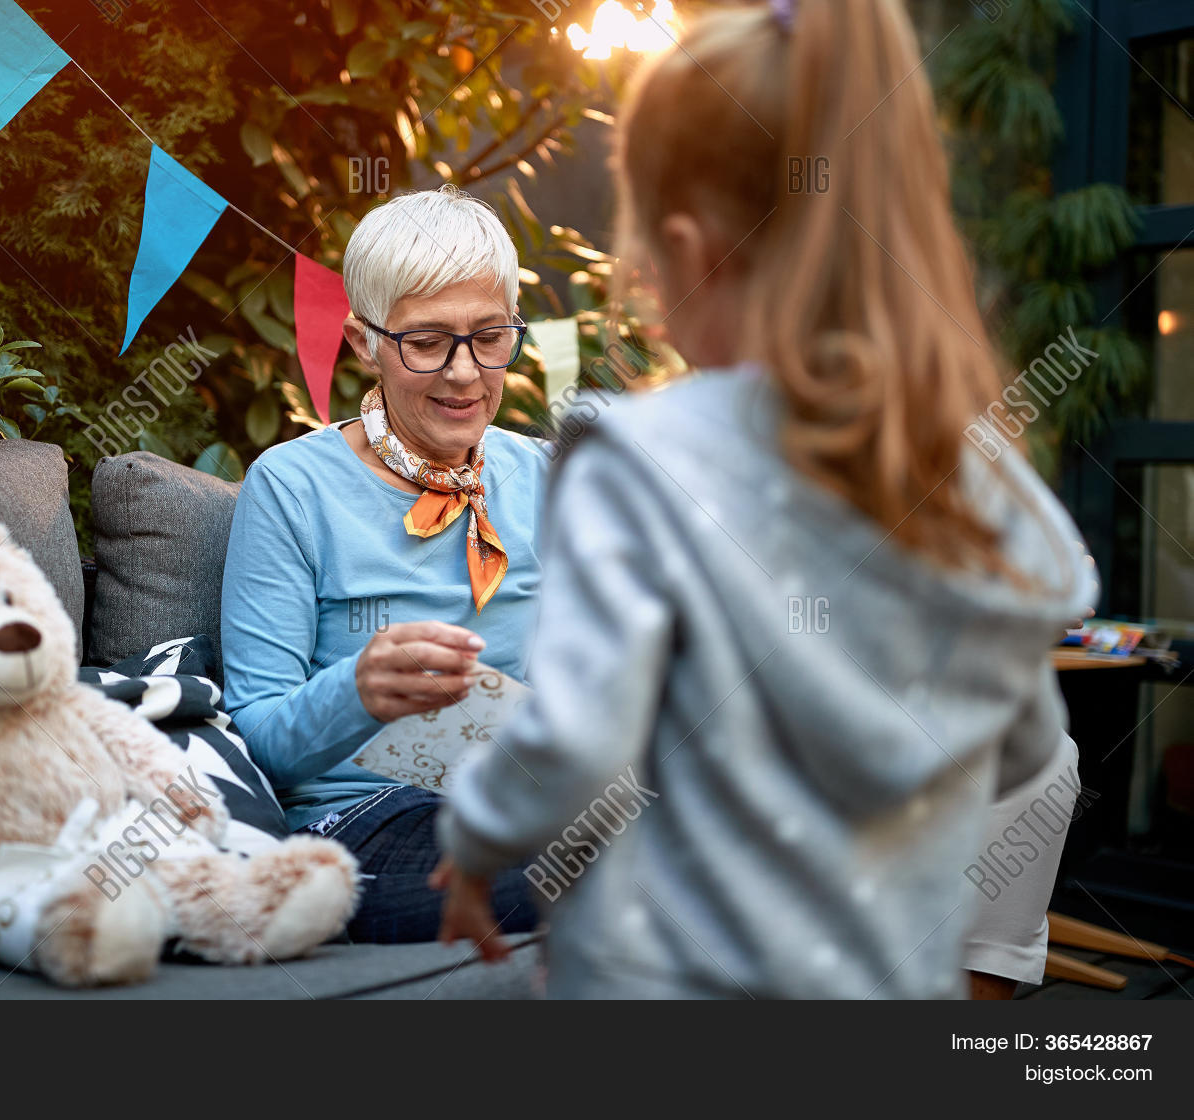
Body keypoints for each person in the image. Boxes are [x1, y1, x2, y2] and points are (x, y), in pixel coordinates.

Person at [433, 0, 1097, 997]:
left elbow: (572, 738)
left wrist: (474, 836)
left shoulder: (637, 456)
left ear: (692, 250)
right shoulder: (970, 472)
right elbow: (1031, 749)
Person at [220, 186, 546, 943]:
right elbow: (259, 737)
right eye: (427, 342)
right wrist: (356, 692)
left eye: (490, 336)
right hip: (364, 821)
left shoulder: (547, 476)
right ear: (364, 342)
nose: (465, 374)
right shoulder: (291, 486)